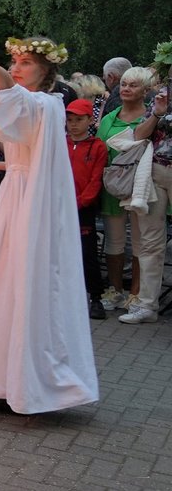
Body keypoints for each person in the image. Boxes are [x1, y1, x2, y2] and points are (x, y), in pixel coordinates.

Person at [0, 36, 98, 415]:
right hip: (15, 194)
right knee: (2, 285)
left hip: (35, 206)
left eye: (25, 63)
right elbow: (25, 152)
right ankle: (0, 383)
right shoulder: (33, 105)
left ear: (46, 71)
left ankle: (36, 385)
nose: (16, 68)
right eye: (13, 61)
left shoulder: (48, 103)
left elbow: (7, 92)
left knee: (29, 285)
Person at [95, 66, 152, 311]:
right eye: (125, 84)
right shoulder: (109, 117)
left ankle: (136, 293)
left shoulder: (151, 118)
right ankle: (115, 290)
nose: (126, 88)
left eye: (133, 85)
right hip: (112, 186)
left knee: (140, 242)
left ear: (145, 91)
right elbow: (100, 152)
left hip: (140, 186)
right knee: (114, 241)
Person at [121, 77, 172, 324]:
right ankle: (147, 305)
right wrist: (157, 113)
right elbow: (138, 135)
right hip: (155, 172)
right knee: (151, 240)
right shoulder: (160, 97)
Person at [64, 98, 108, 320]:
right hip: (60, 206)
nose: (73, 124)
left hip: (82, 208)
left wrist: (81, 202)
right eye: (70, 120)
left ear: (90, 120)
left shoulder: (98, 146)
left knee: (87, 254)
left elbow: (95, 180)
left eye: (79, 120)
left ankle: (96, 298)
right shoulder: (60, 143)